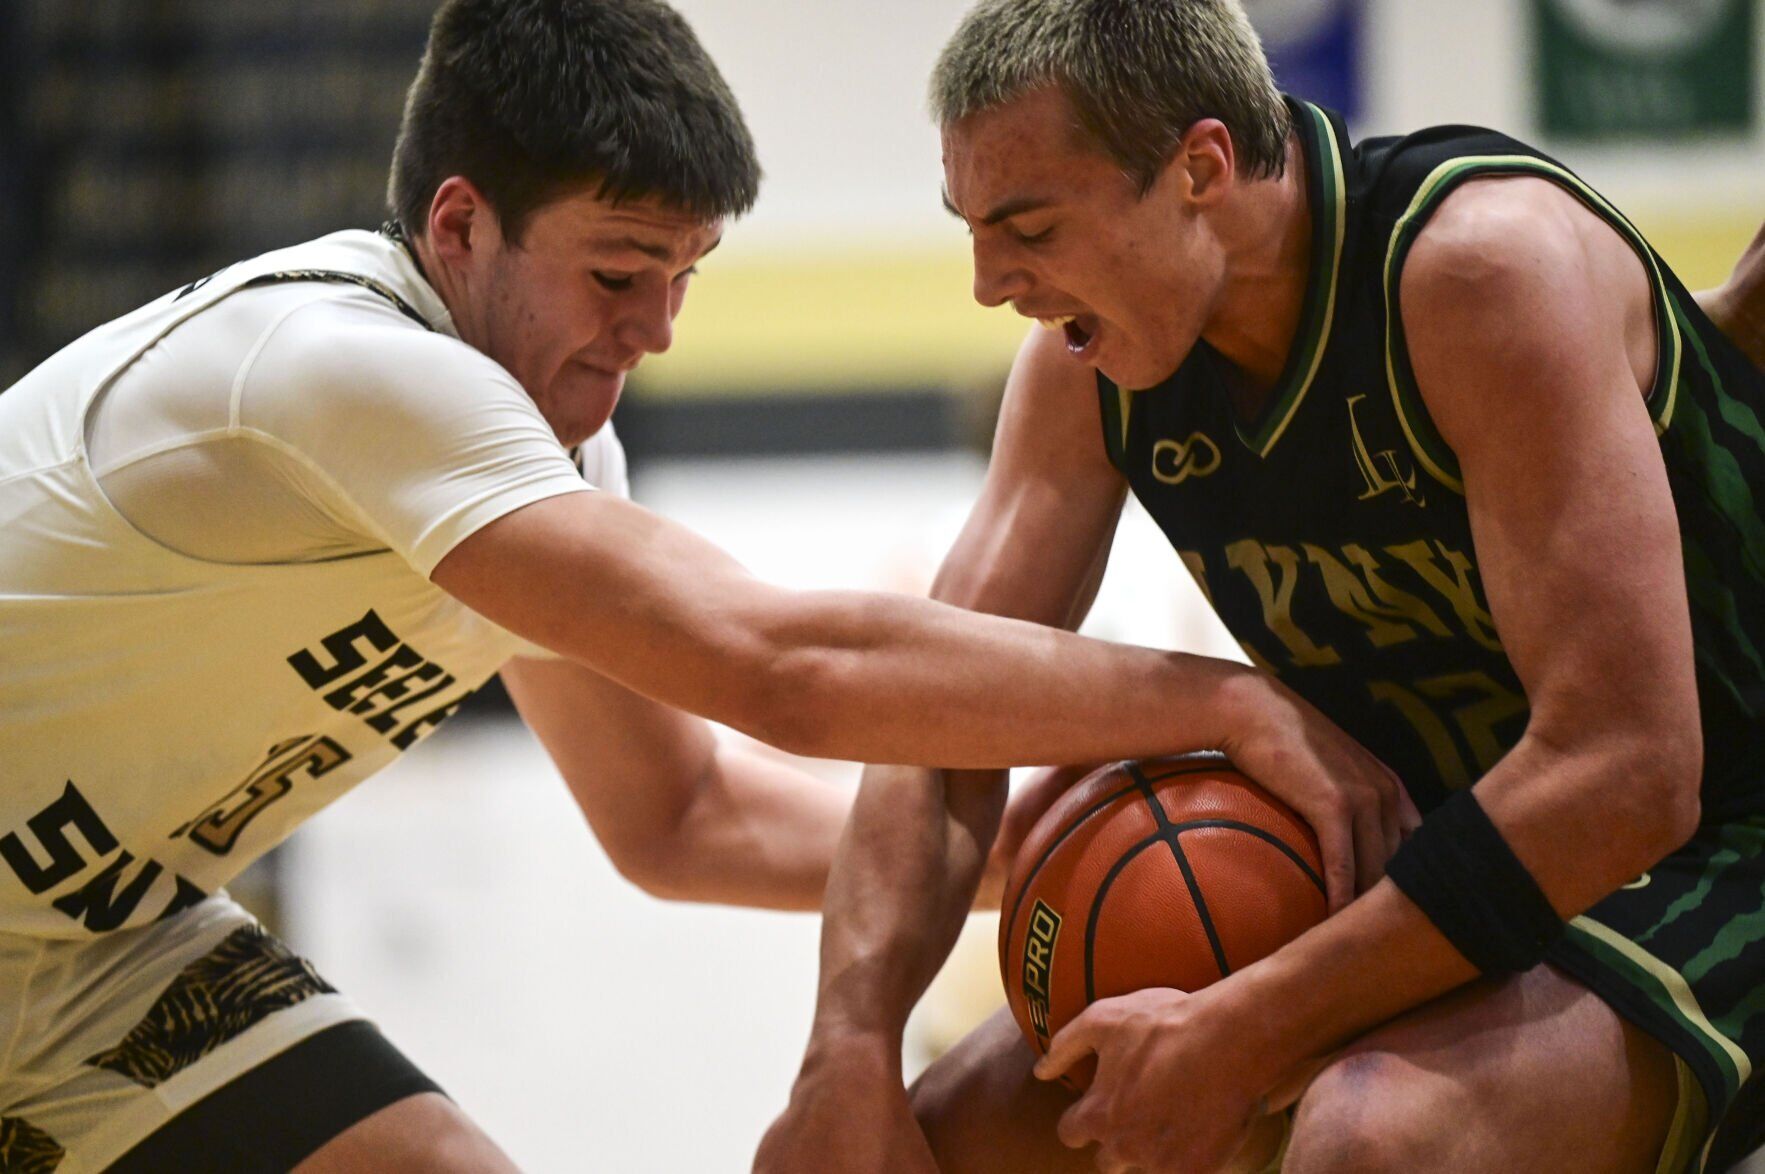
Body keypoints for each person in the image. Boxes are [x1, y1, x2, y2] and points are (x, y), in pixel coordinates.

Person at [0, 1, 1414, 1170]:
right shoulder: (337, 366)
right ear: (457, 229)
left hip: (108, 947)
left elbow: (684, 815)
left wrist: (1059, 858)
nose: (655, 331)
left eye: (683, 276)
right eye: (619, 273)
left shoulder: (550, 465)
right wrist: (1225, 708)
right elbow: (779, 664)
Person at [759, 1, 1765, 1171]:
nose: (988, 284)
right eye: (972, 230)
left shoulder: (1475, 270)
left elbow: (1628, 774)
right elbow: (937, 715)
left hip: (1715, 848)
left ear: (1200, 166)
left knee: (1365, 1136)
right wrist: (846, 1044)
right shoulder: (1090, 372)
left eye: (1026, 225)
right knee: (925, 1140)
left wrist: (1247, 1027)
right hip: (1435, 847)